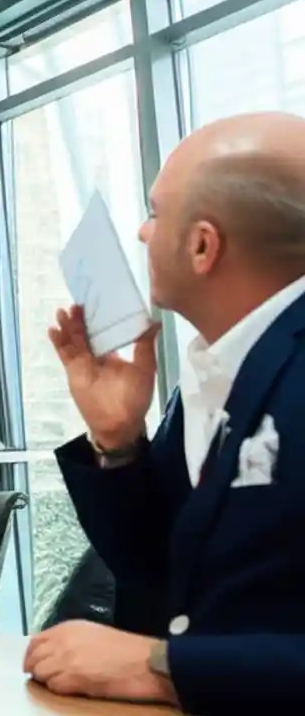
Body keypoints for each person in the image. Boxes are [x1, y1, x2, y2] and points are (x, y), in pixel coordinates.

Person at [24, 112, 305, 715]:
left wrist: (161, 668)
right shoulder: (208, 374)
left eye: (154, 212)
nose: (142, 232)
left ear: (202, 244)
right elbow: (160, 574)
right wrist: (119, 441)